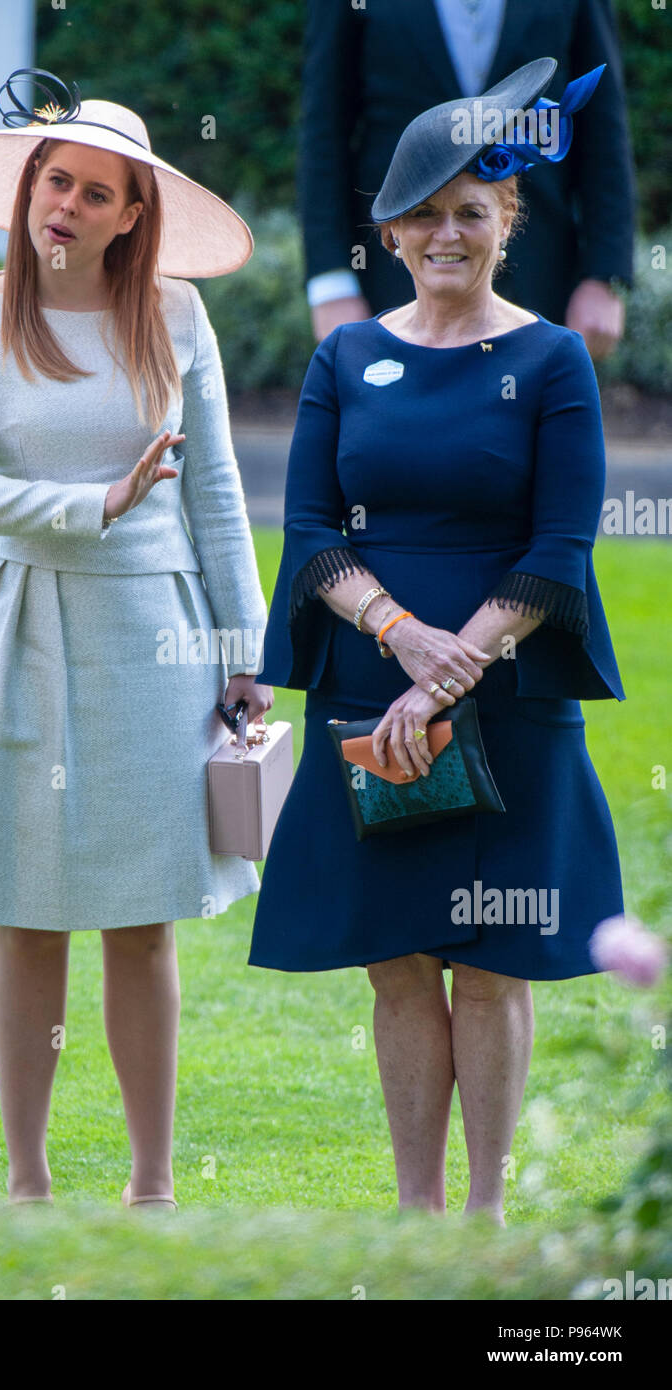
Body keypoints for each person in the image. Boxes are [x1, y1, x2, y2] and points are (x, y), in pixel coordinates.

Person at [0, 72, 272, 1208]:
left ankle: (153, 1184)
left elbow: (215, 493)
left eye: (97, 193)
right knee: (30, 909)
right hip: (23, 625)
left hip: (157, 631)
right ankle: (27, 1179)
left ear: (133, 213)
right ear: (28, 186)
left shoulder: (178, 317)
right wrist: (90, 503)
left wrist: (241, 646)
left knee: (145, 917)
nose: (67, 205)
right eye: (56, 180)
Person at [249, 59, 625, 1224]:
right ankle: (417, 1218)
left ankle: (484, 1215)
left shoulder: (551, 360)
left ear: (508, 222)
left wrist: (457, 660)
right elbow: (310, 528)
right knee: (399, 955)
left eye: (471, 210)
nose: (445, 232)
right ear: (392, 232)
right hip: (370, 687)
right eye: (424, 214)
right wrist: (404, 642)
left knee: (494, 954)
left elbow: (561, 543)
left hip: (510, 694)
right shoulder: (344, 357)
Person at [301, 0, 636, 357]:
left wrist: (605, 275)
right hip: (395, 275)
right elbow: (325, 130)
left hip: (541, 269)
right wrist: (332, 281)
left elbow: (603, 126)